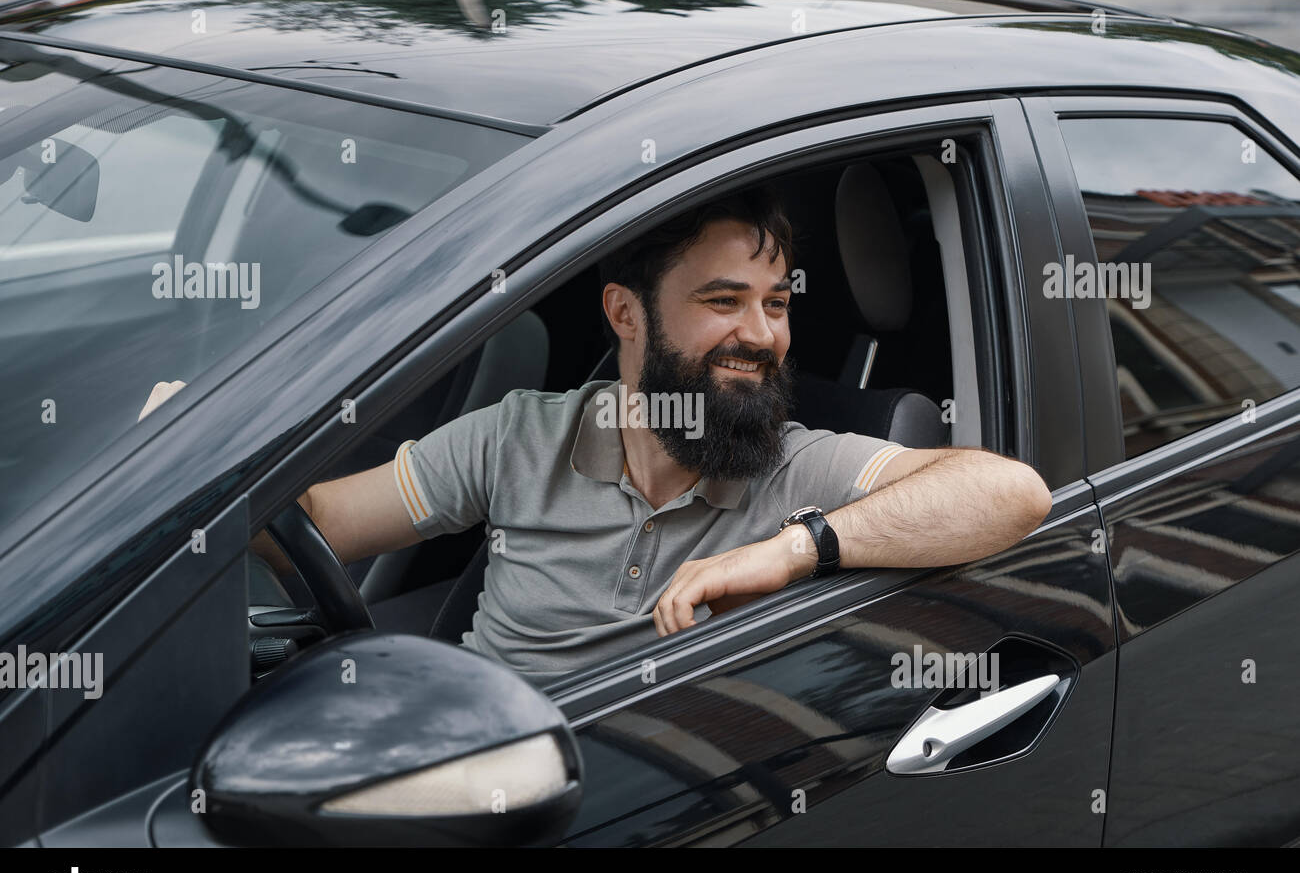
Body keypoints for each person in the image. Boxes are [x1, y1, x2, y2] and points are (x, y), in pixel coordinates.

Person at [140, 188, 1052, 686]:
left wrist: (795, 552)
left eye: (776, 305)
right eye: (723, 301)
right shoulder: (517, 438)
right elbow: (311, 526)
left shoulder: (797, 465)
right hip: (470, 767)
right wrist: (192, 464)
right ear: (625, 312)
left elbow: (1012, 493)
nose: (764, 334)